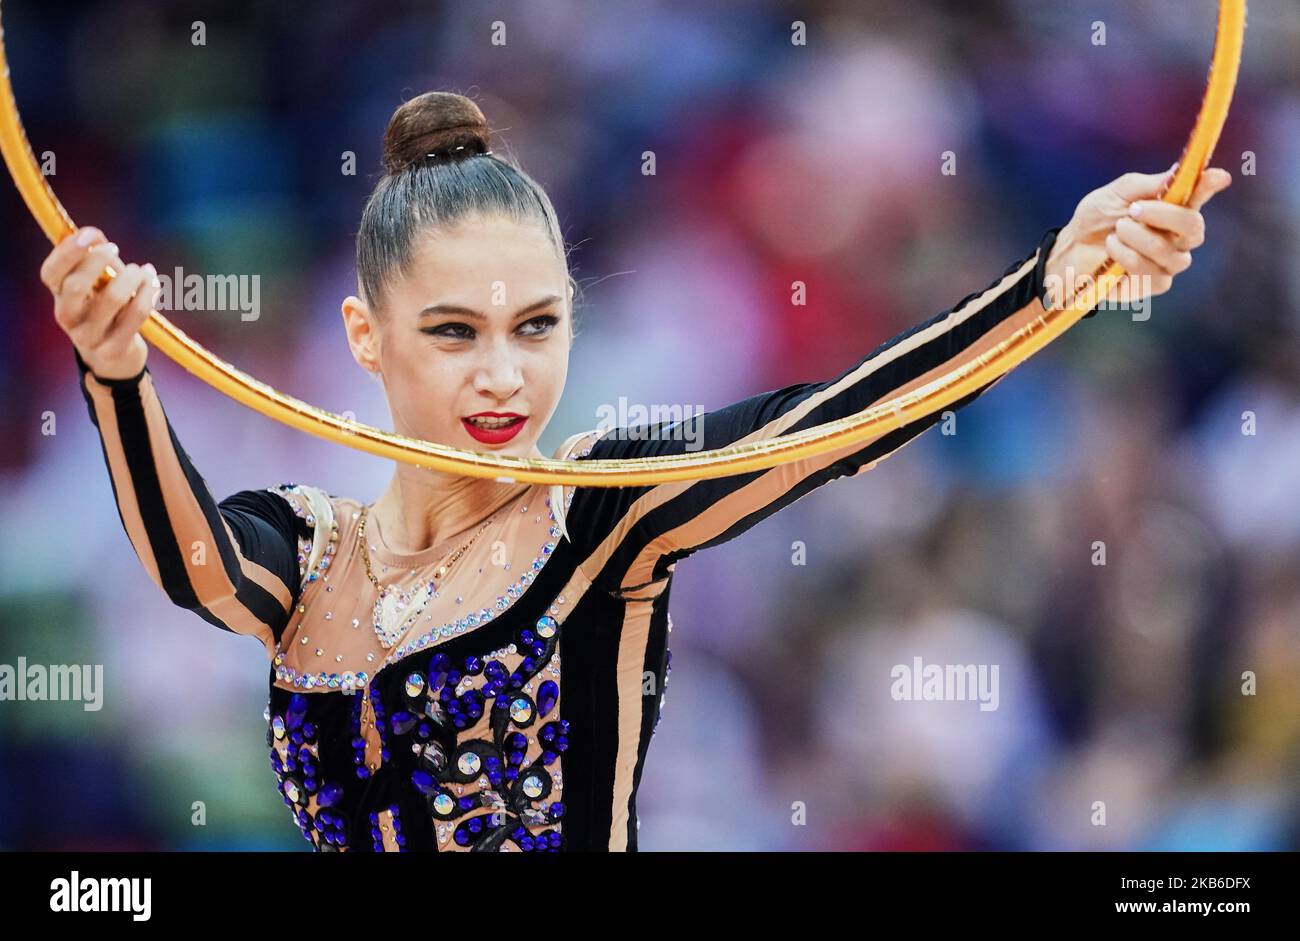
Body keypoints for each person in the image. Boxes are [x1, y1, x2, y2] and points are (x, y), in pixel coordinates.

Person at [41, 91, 1231, 851]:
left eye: (538, 326)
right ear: (366, 337)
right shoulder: (308, 548)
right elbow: (196, 566)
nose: (503, 376)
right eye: (454, 331)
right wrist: (116, 374)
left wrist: (1047, 283)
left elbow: (837, 417)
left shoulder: (603, 513)